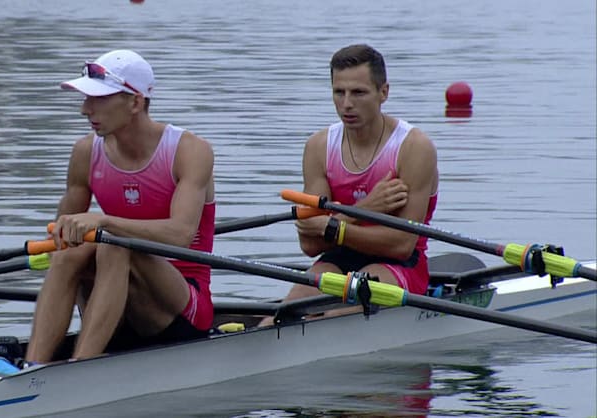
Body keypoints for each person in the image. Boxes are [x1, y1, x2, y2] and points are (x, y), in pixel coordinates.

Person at [25, 50, 216, 363]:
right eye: (86, 98)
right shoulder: (85, 152)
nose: (85, 109)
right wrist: (71, 235)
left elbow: (181, 234)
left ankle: (81, 368)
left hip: (182, 307)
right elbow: (60, 239)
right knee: (71, 249)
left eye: (98, 99)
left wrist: (105, 223)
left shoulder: (190, 151)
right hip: (116, 304)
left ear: (136, 102)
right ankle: (32, 368)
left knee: (112, 243)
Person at [262, 44, 438, 326]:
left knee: (337, 315)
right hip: (339, 259)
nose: (346, 104)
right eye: (338, 92)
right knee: (283, 318)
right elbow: (309, 242)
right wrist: (363, 209)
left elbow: (402, 244)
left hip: (399, 265)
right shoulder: (319, 147)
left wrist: (333, 225)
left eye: (358, 92)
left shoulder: (413, 147)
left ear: (384, 93)